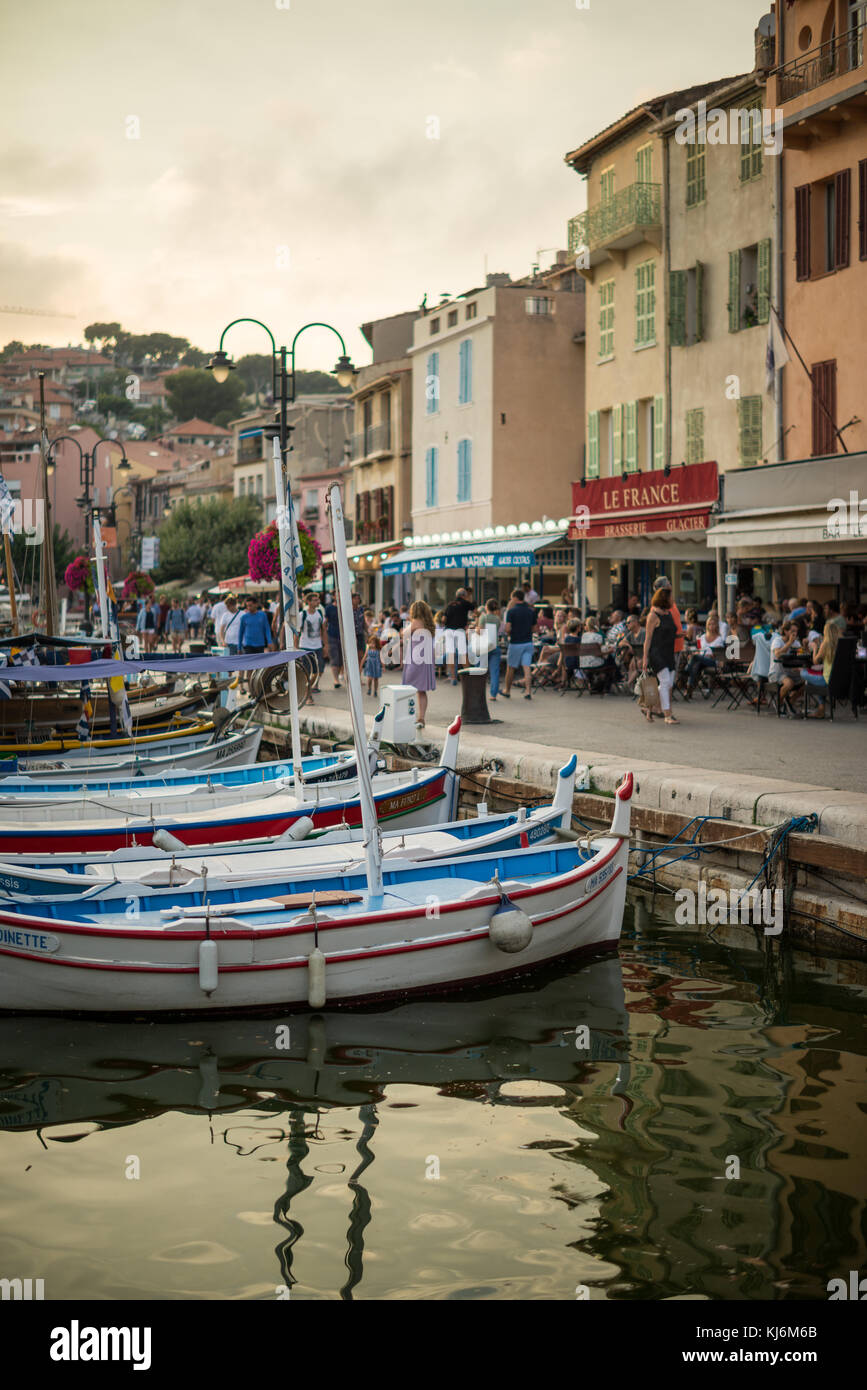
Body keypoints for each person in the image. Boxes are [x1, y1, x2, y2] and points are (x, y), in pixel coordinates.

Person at [642, 587, 678, 725]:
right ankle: (667, 715)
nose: (672, 599)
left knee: (669, 684)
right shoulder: (653, 615)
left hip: (668, 652)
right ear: (664, 598)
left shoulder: (668, 614)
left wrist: (680, 635)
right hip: (657, 653)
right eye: (671, 597)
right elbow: (648, 638)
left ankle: (649, 707)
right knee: (665, 682)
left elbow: (670, 632)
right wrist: (645, 658)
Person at [402, 600, 437, 727]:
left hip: (415, 659)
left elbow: (404, 635)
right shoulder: (429, 624)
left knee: (409, 687)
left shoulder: (415, 622)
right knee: (421, 690)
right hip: (426, 658)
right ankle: (421, 717)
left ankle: (408, 715)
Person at [799, 620, 841, 719]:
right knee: (814, 679)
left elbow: (815, 661)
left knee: (802, 672)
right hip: (838, 681)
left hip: (826, 680)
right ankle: (821, 709)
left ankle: (821, 708)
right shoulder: (840, 644)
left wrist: (814, 648)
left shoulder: (826, 644)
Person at [502, 588, 538, 701]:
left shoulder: (511, 612)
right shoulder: (531, 611)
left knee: (511, 667)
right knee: (526, 667)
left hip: (516, 642)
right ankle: (528, 691)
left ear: (515, 598)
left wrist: (510, 633)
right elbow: (535, 628)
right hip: (528, 642)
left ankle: (507, 690)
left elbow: (507, 628)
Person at [684, 614, 724, 694]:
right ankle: (689, 688)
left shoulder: (720, 639)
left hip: (712, 661)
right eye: (709, 624)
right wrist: (695, 653)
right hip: (700, 660)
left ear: (716, 626)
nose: (711, 626)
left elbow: (718, 654)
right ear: (706, 625)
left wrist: (701, 655)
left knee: (696, 658)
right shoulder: (701, 637)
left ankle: (686, 671)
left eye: (713, 624)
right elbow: (698, 650)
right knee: (696, 663)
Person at [297, 592, 327, 698]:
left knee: (319, 669)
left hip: (318, 645)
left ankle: (311, 686)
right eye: (314, 600)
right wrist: (295, 648)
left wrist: (325, 646)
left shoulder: (319, 613)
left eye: (317, 600)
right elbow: (297, 632)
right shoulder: (302, 615)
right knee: (307, 670)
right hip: (305, 645)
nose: (317, 602)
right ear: (308, 602)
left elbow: (324, 630)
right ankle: (308, 694)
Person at [443, 588, 473, 684]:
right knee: (463, 655)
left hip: (449, 631)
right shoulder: (466, 603)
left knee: (451, 654)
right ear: (464, 595)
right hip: (459, 630)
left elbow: (443, 619)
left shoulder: (450, 604)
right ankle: (468, 679)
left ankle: (453, 678)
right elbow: (475, 610)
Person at [652, 575, 684, 658]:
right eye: (669, 584)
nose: (671, 586)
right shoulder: (658, 606)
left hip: (677, 644)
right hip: (667, 647)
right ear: (665, 588)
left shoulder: (671, 602)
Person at [477, 598, 502, 700]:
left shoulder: (483, 617)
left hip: (484, 647)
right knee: (494, 672)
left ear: (486, 607)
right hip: (495, 646)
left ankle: (478, 692)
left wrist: (475, 629)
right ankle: (493, 694)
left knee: (480, 669)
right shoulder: (497, 619)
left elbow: (480, 631)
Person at [363, 630, 382, 697]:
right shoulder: (368, 649)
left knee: (376, 679)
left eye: (373, 643)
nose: (372, 644)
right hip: (369, 665)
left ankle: (375, 691)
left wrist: (383, 666)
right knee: (369, 678)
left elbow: (381, 659)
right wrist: (361, 664)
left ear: (376, 644)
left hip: (376, 666)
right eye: (371, 643)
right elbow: (365, 657)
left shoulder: (378, 650)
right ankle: (369, 688)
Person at [351, 592, 367, 669]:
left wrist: (367, 631)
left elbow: (363, 621)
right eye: (355, 598)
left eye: (358, 598)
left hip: (360, 633)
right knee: (353, 654)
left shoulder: (361, 609)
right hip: (351, 635)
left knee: (361, 654)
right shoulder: (349, 609)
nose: (357, 600)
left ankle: (358, 672)